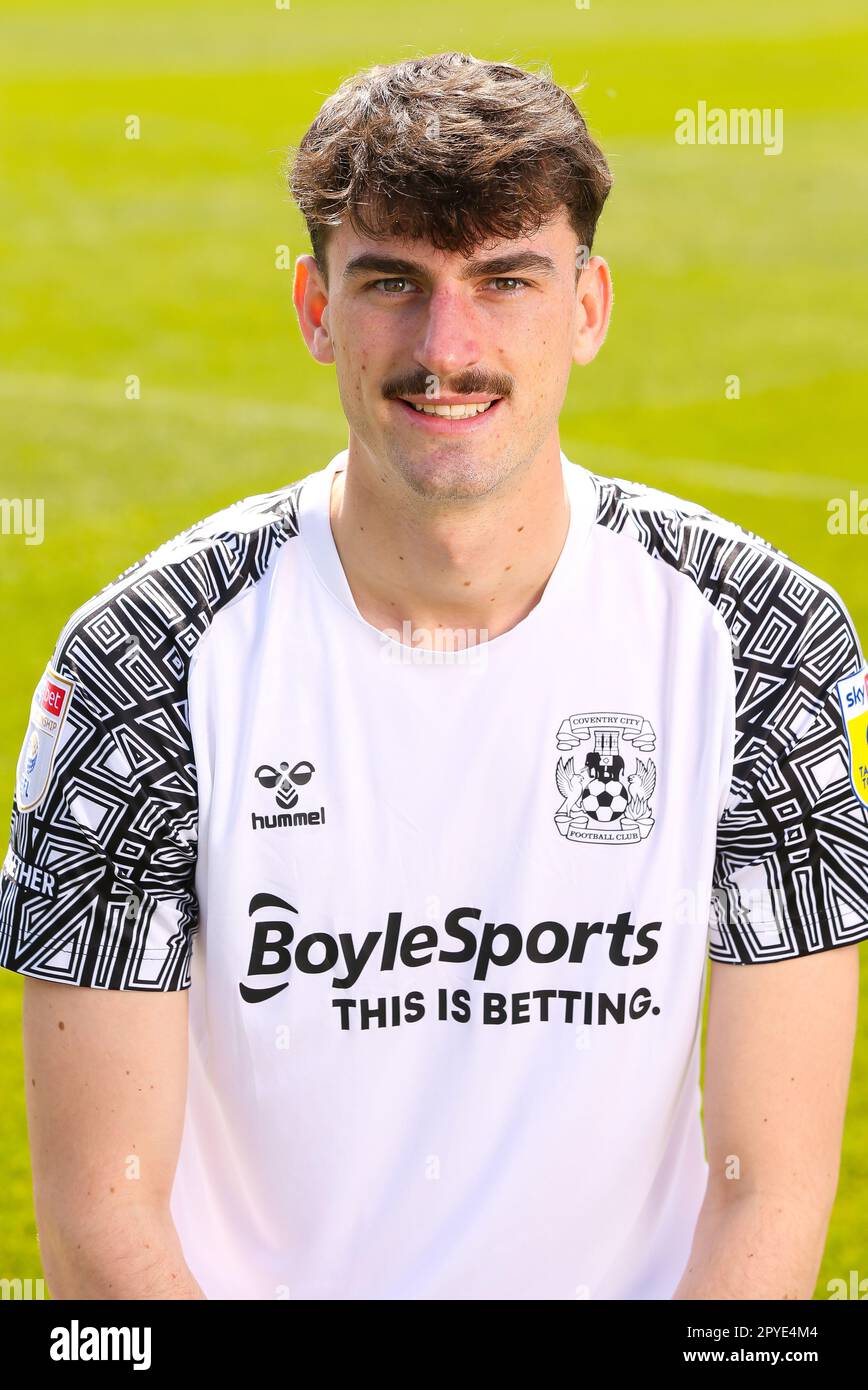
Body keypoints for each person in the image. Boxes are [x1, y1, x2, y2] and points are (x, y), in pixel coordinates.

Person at [3, 51, 867, 1302]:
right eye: (392, 284)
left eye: (504, 281)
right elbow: (101, 1212)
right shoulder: (139, 662)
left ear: (587, 305)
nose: (445, 348)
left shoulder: (764, 640)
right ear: (314, 307)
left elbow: (767, 1189)